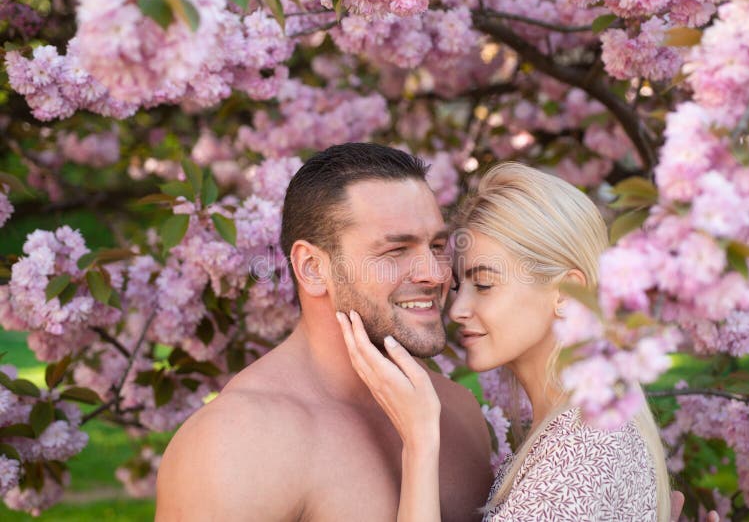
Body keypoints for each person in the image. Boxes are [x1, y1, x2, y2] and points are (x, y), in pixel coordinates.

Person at [154, 143, 494, 521]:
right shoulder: (236, 441)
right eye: (396, 250)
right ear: (313, 268)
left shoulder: (457, 411)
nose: (435, 273)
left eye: (437, 246)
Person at [336, 162, 681, 521]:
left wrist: (420, 441)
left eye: (484, 285)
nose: (457, 310)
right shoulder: (584, 429)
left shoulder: (576, 459)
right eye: (459, 286)